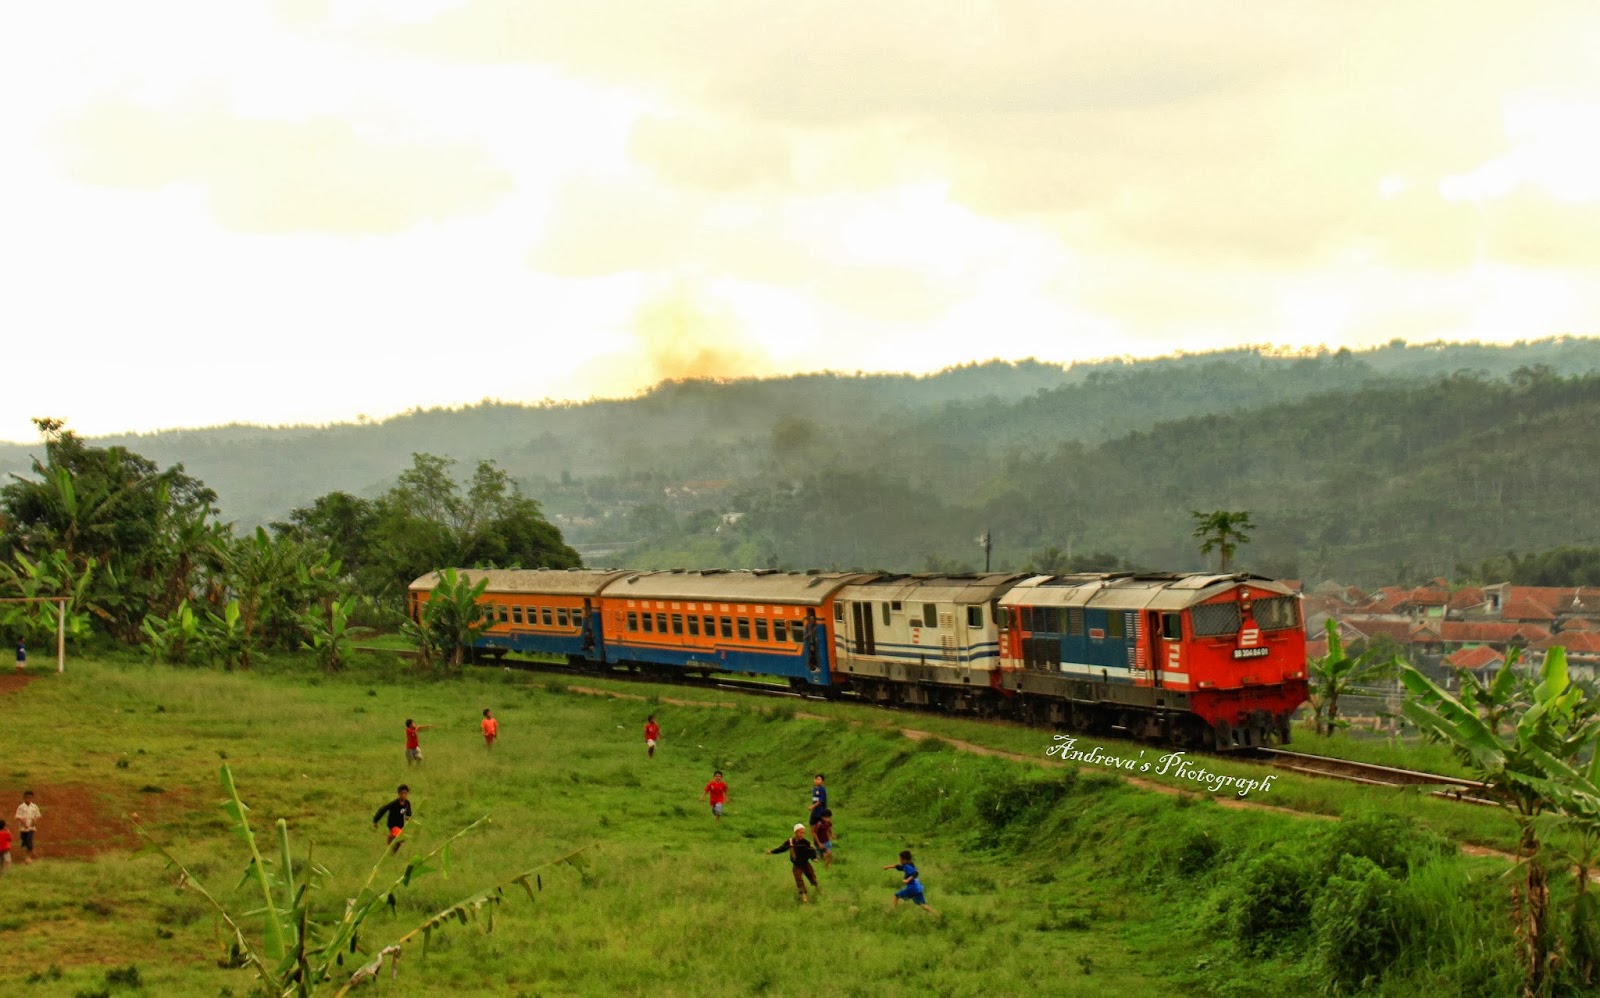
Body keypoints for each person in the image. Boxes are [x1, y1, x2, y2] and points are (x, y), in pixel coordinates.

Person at [768, 823, 820, 903]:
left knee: (812, 877)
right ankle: (803, 895)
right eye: (800, 832)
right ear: (795, 833)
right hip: (796, 865)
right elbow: (782, 848)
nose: (802, 834)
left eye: (803, 833)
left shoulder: (806, 842)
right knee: (799, 880)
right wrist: (772, 852)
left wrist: (814, 858)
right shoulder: (790, 841)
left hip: (805, 864)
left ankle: (817, 889)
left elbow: (811, 850)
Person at [884, 850, 938, 916]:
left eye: (900, 859)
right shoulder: (909, 864)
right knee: (923, 905)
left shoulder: (907, 866)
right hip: (918, 888)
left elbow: (916, 873)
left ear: (904, 860)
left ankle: (893, 912)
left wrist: (907, 880)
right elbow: (898, 866)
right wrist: (887, 867)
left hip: (912, 888)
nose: (899, 860)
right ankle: (937, 915)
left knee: (896, 896)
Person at [372, 785, 413, 851]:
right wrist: (375, 820)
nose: (404, 795)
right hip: (393, 824)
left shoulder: (407, 803)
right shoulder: (394, 803)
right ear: (399, 794)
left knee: (398, 840)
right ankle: (391, 848)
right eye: (402, 793)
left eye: (405, 793)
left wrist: (408, 816)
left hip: (400, 824)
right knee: (401, 838)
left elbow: (408, 811)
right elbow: (383, 809)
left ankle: (391, 842)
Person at [14, 790, 39, 864]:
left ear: (32, 798)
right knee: (24, 841)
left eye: (30, 798)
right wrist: (22, 821)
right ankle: (33, 852)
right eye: (27, 797)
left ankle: (29, 857)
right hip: (23, 828)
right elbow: (17, 816)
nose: (28, 799)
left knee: (29, 840)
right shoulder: (21, 807)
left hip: (31, 828)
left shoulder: (34, 807)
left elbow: (37, 815)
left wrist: (35, 820)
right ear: (24, 798)